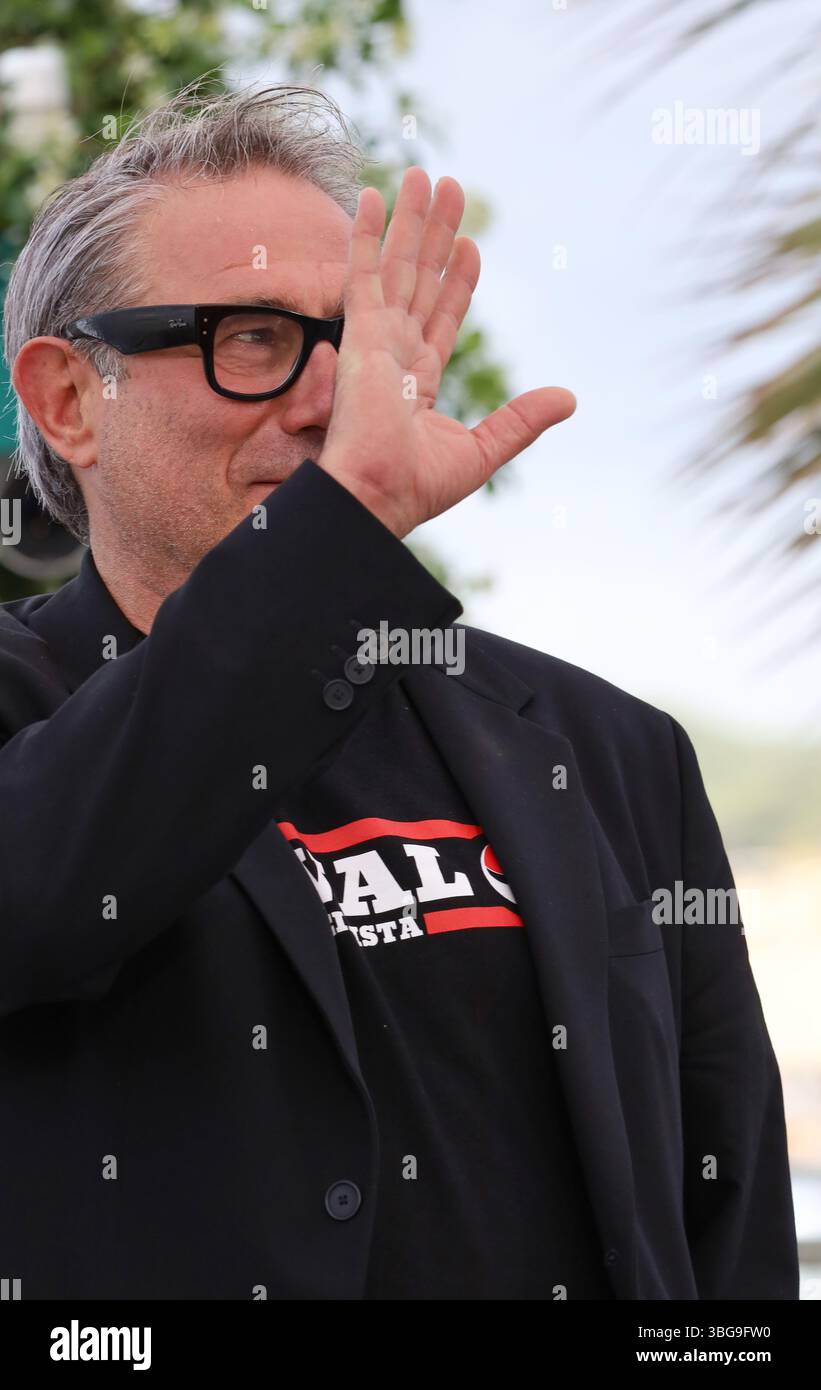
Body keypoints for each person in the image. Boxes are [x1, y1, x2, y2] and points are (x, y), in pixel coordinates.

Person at [0, 80, 798, 1300]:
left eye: (352, 345)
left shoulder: (606, 747)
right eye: (253, 340)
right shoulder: (27, 711)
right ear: (69, 402)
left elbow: (723, 1215)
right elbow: (49, 890)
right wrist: (343, 527)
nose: (334, 404)